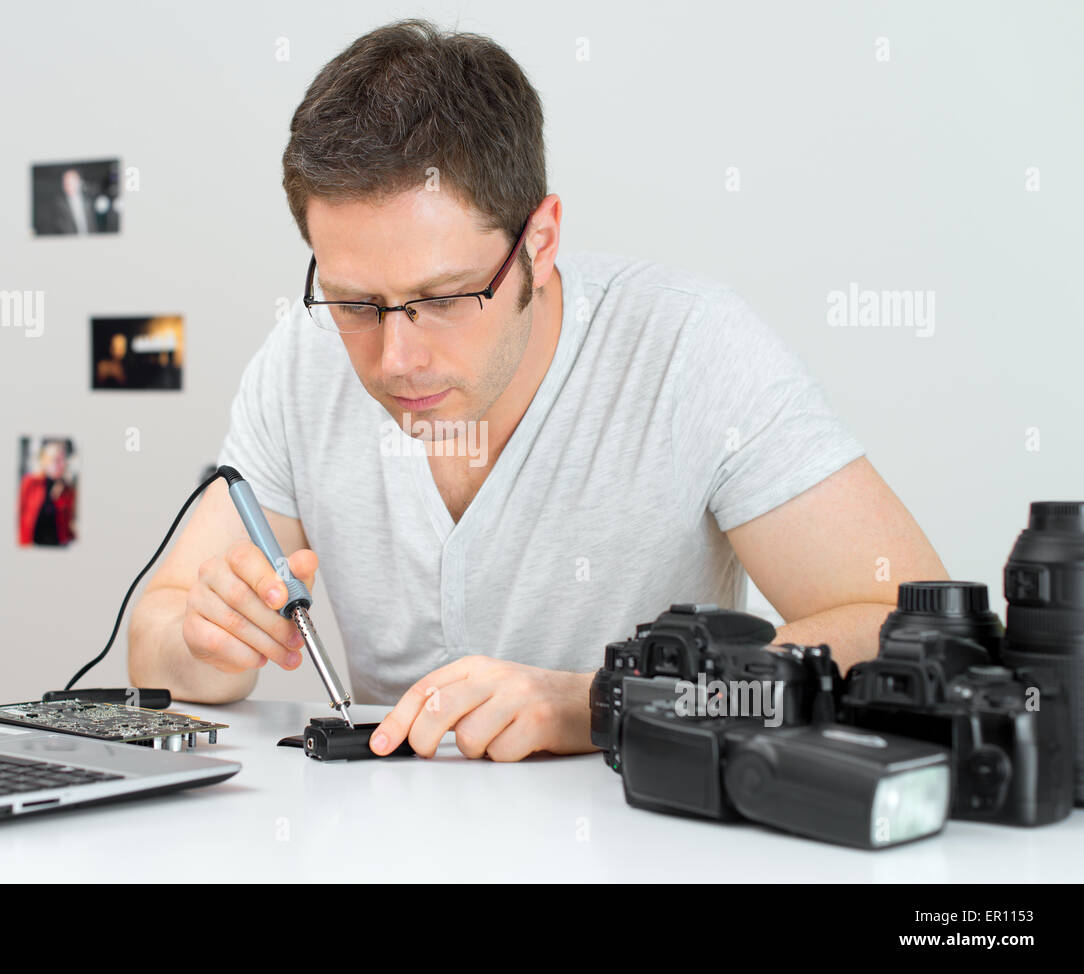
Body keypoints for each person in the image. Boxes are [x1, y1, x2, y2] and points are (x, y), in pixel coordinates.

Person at [128, 20, 947, 762]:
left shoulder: (691, 348)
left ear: (540, 241)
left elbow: (909, 631)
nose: (396, 359)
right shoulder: (300, 360)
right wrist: (206, 640)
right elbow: (156, 638)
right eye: (355, 303)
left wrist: (596, 702)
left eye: (444, 297)